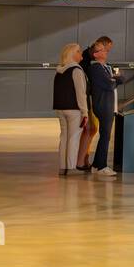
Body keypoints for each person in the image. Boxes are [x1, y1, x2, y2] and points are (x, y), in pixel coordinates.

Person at [86, 36, 124, 177]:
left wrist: (116, 79)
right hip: (103, 106)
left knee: (105, 135)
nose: (106, 51)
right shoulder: (95, 68)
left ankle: (96, 164)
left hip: (108, 105)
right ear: (96, 54)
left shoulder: (103, 68)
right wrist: (117, 79)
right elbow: (110, 84)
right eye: (102, 50)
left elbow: (115, 80)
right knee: (105, 136)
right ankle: (101, 166)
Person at [52, 43, 88, 176]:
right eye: (79, 52)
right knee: (74, 138)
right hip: (74, 109)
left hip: (60, 108)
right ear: (73, 54)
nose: (82, 56)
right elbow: (81, 93)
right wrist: (85, 112)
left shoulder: (59, 71)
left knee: (64, 137)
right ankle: (72, 168)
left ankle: (63, 167)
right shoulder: (76, 70)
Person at [75, 42, 98, 172]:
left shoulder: (85, 63)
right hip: (83, 104)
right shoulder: (82, 65)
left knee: (91, 129)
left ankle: (83, 159)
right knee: (90, 129)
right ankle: (81, 161)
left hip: (85, 103)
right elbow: (82, 89)